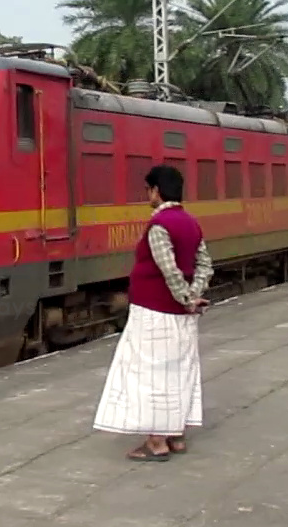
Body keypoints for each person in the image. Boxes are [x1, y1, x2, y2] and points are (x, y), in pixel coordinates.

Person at [93, 164, 213, 461]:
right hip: (181, 316)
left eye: (148, 190)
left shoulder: (160, 225)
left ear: (156, 191)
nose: (147, 195)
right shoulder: (190, 223)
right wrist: (194, 295)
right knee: (179, 371)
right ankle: (176, 435)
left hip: (155, 312)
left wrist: (186, 297)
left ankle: (156, 442)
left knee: (150, 373)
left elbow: (167, 268)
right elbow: (205, 265)